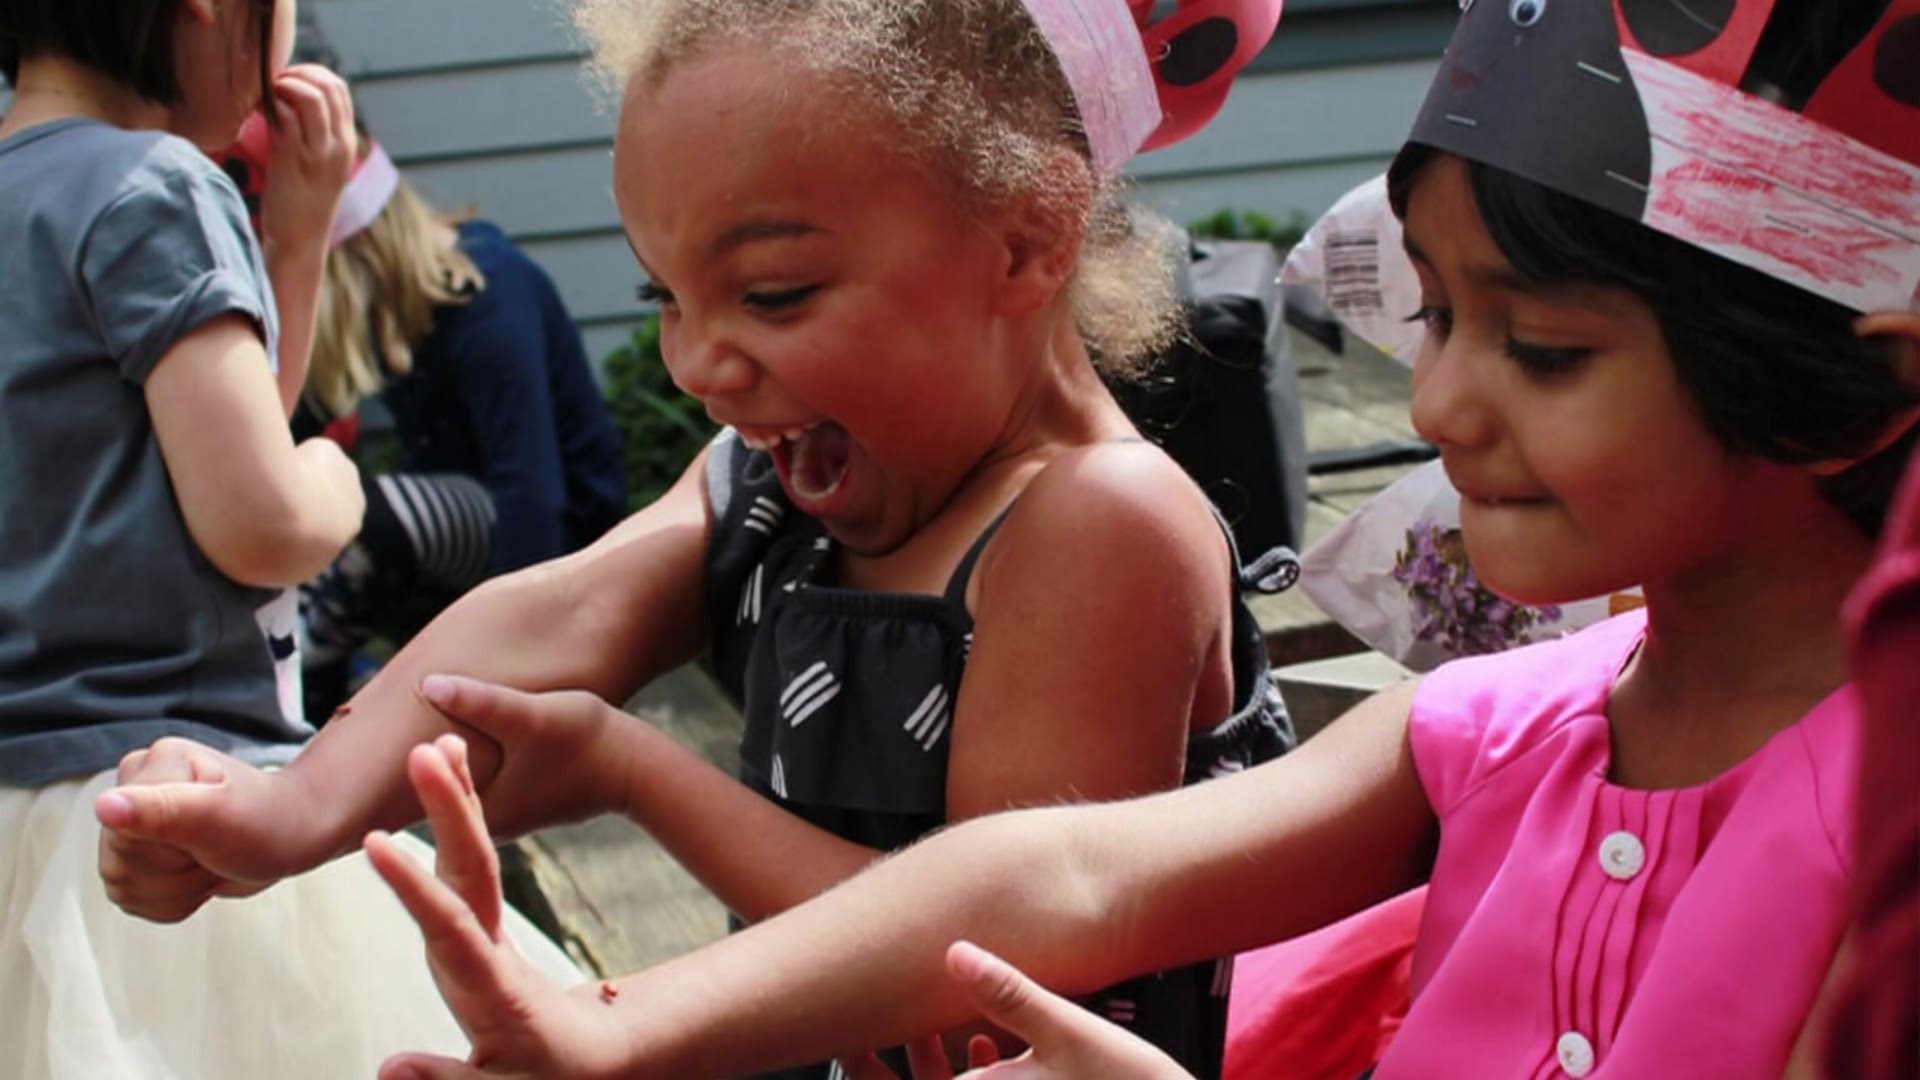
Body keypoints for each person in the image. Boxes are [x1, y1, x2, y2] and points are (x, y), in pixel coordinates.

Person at [337, 0, 1915, 1076]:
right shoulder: (1502, 731)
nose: (1437, 401)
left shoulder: (1889, 829)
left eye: (1544, 349)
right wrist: (617, 1024)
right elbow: (1069, 874)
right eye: (1434, 316)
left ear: (1849, 382)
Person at [93, 0, 1293, 1076]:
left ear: (1028, 241)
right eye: (664, 295)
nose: (698, 365)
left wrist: (634, 775)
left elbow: (980, 982)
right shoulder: (776, 482)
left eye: (772, 295)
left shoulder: (1096, 526)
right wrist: (286, 812)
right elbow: (555, 611)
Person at [0, 2, 576, 1077]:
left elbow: (210, 441)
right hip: (176, 805)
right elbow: (260, 522)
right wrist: (334, 481)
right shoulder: (155, 186)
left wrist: (295, 243)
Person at [222, 113, 628, 717]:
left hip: (560, 553)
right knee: (321, 500)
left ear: (349, 262)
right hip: (458, 544)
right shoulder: (393, 310)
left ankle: (306, 697)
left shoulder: (488, 295)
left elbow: (532, 496)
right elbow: (290, 443)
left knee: (372, 515)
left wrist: (519, 681)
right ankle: (305, 689)